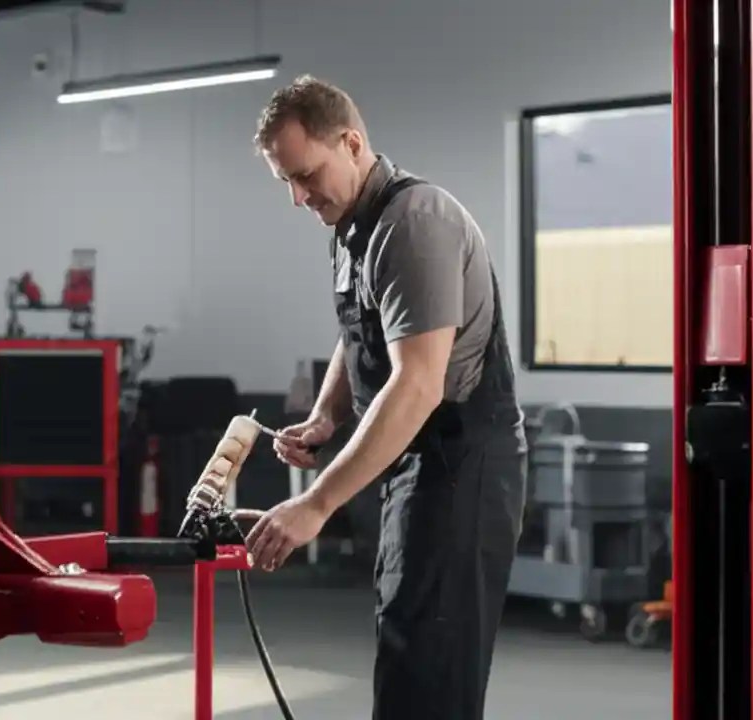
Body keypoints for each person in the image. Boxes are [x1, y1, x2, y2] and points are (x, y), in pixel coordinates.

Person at [243, 75, 528, 720]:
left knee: (429, 678)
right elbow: (363, 333)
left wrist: (316, 505)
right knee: (408, 657)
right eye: (285, 181)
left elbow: (418, 382)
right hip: (416, 467)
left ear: (351, 142)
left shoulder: (414, 222)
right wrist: (326, 414)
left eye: (306, 174)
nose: (297, 197)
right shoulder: (353, 225)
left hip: (462, 470)